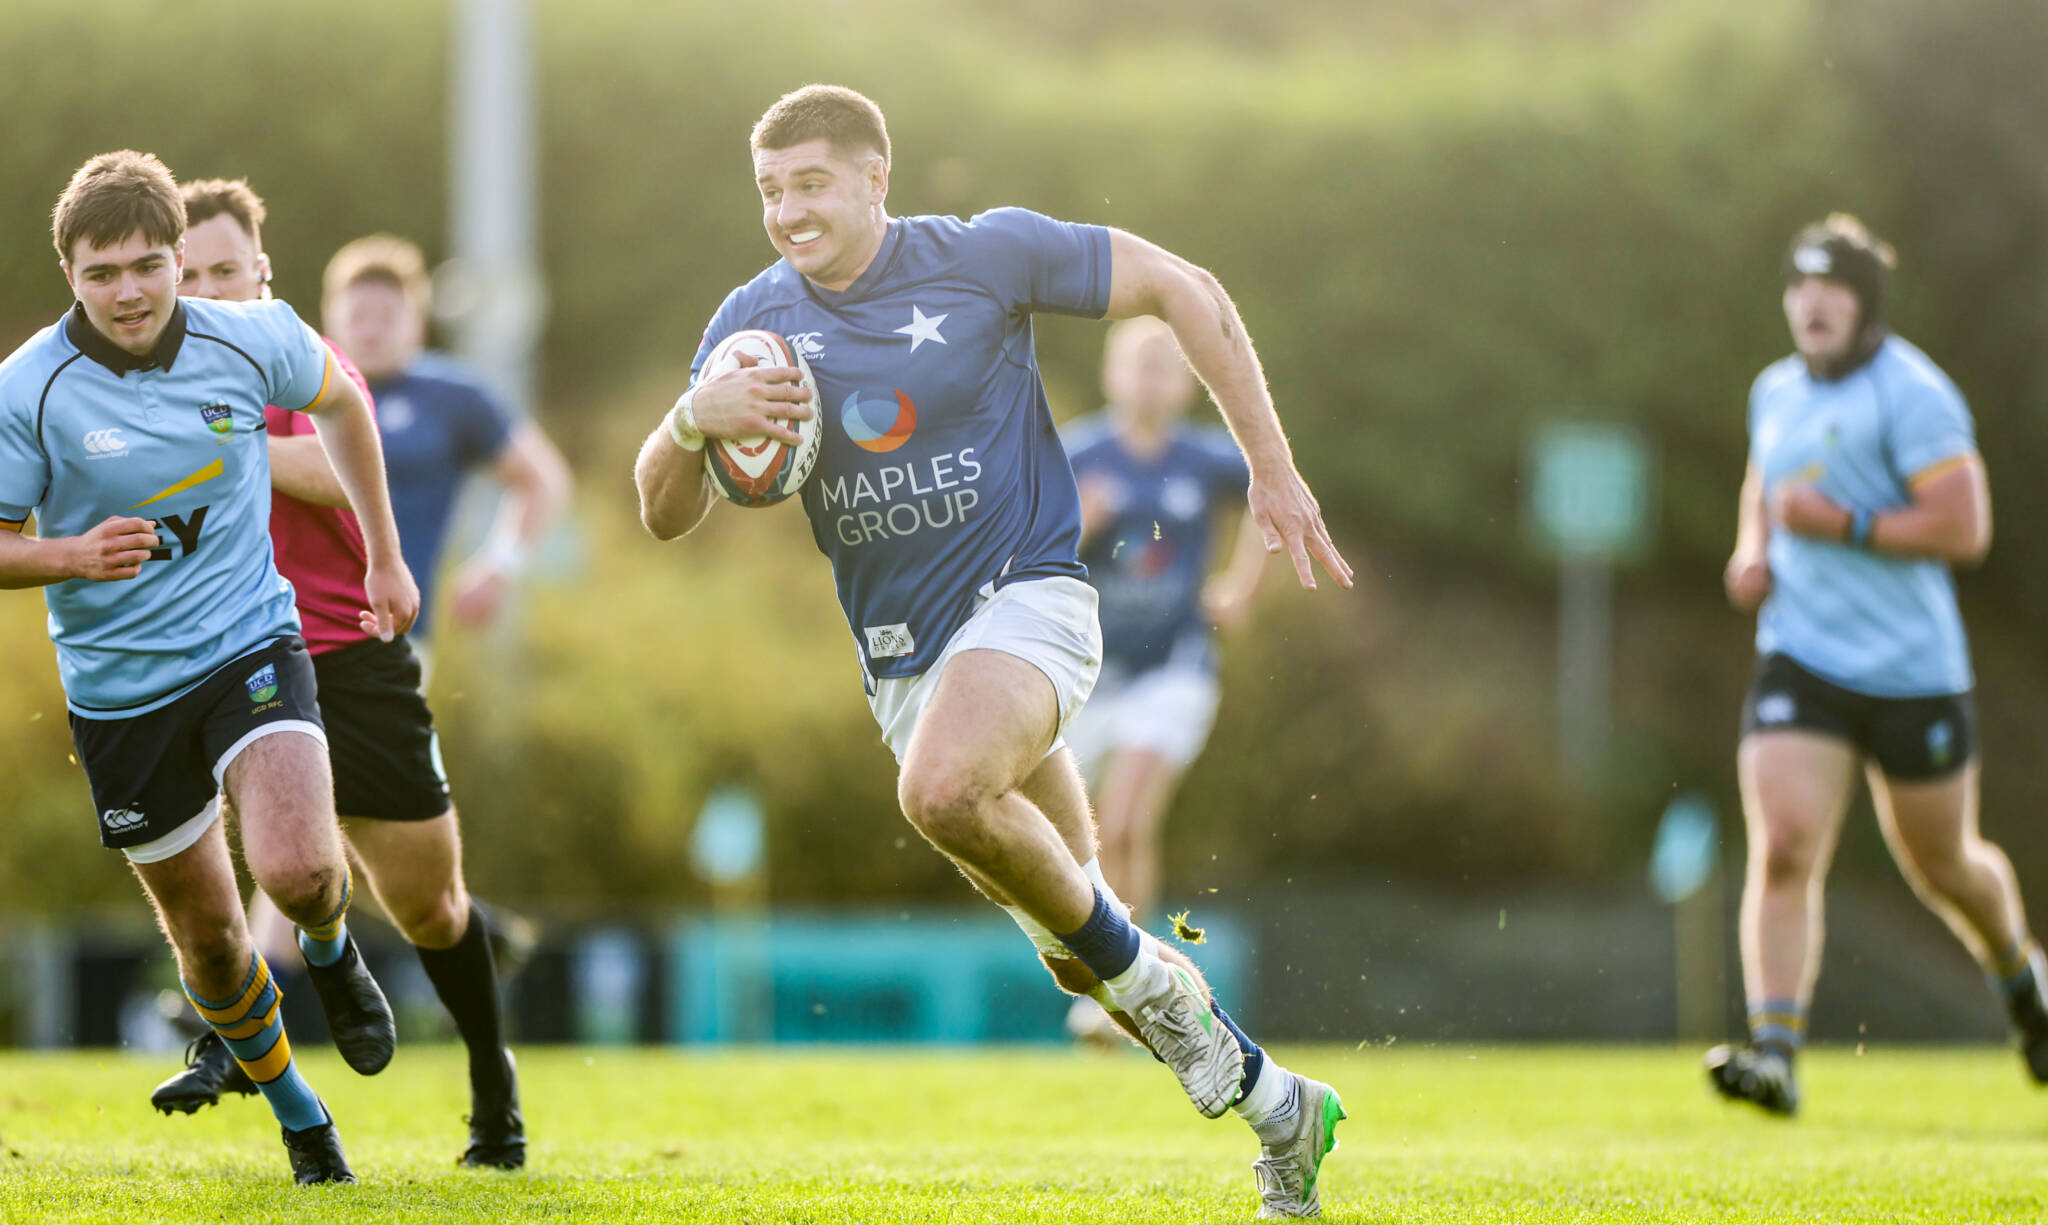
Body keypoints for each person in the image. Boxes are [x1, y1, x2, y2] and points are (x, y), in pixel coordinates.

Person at [634, 86, 1351, 1218]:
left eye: (811, 183)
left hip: (1029, 604)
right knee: (1078, 951)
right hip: (904, 667)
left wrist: (1267, 463)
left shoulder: (987, 254)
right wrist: (691, 419)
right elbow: (662, 512)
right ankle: (1277, 1108)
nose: (787, 211)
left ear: (876, 177)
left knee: (944, 792)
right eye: (770, 190)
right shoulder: (751, 325)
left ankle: (1172, 1009)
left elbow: (1184, 287)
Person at [0, 151, 417, 1183]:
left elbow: (347, 407)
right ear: (69, 275)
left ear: (182, 258)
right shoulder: (27, 389)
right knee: (215, 947)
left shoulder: (254, 336)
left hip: (246, 641)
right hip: (119, 691)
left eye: (147, 265)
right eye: (101, 275)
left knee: (302, 868)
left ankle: (327, 949)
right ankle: (301, 1114)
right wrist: (67, 555)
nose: (128, 292)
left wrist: (385, 553)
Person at [146, 178, 525, 1170]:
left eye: (225, 267)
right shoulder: (134, 378)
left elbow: (331, 467)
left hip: (348, 657)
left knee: (431, 905)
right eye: (187, 274)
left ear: (263, 273)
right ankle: (246, 1054)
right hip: (220, 664)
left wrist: (217, 441)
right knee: (279, 864)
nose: (209, 287)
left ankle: (495, 1093)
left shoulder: (298, 361)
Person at [1707, 213, 2048, 1115]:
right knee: (1782, 845)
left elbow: (1966, 525)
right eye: (1800, 285)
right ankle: (1776, 1052)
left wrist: (1845, 524)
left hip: (1911, 672)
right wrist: (1756, 548)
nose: (1812, 302)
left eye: (1834, 288)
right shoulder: (1774, 390)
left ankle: (2024, 979)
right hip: (1802, 656)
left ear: (1865, 306)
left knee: (1945, 865)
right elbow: (1764, 480)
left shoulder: (1914, 393)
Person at [1059, 317, 1270, 1043]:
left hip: (1175, 667)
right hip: (1091, 673)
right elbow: (1019, 543)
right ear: (1112, 374)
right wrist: (1077, 526)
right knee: (1078, 836)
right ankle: (1123, 981)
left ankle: (1124, 996)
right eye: (1138, 364)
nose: (1151, 380)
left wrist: (1240, 588)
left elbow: (1271, 494)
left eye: (1166, 367)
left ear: (1187, 383)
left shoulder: (1207, 459)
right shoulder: (1077, 451)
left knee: (1123, 818)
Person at [320, 235, 571, 657]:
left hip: (394, 640)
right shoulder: (293, 393)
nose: (370, 330)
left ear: (417, 325)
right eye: (358, 315)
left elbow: (543, 480)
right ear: (331, 320)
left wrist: (499, 566)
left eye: (387, 317)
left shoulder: (451, 396)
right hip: (289, 633)